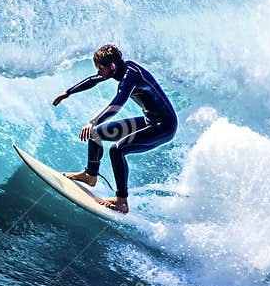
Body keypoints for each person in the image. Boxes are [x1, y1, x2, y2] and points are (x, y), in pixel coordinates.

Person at [52, 44, 177, 213]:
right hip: (150, 120)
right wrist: (68, 92)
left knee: (117, 150)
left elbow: (117, 103)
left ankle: (122, 201)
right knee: (95, 134)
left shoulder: (130, 77)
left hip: (164, 126)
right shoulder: (117, 68)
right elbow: (94, 80)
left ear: (112, 66)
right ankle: (90, 175)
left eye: (100, 68)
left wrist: (93, 121)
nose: (99, 72)